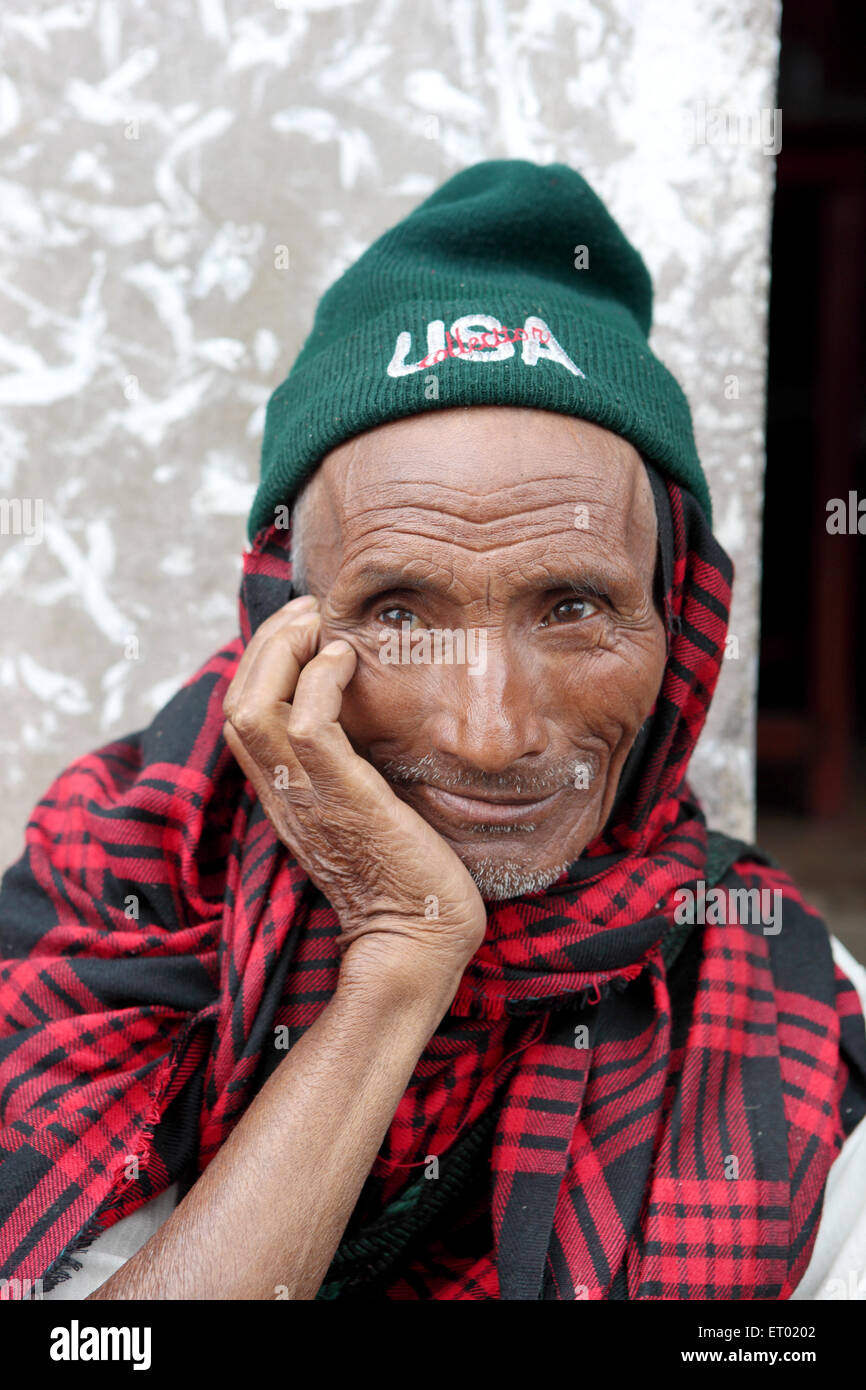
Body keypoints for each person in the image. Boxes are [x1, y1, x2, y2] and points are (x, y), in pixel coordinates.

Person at [1, 160, 865, 1302]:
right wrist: (401, 963)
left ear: (679, 625)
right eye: (398, 614)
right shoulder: (118, 901)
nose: (492, 733)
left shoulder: (794, 1020)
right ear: (281, 626)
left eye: (572, 607)